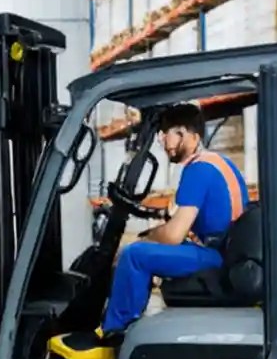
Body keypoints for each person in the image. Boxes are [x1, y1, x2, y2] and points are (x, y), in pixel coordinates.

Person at [98, 103, 249, 344]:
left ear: (184, 134)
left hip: (216, 256)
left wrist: (146, 237)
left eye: (165, 134)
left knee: (134, 255)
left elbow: (174, 235)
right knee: (144, 250)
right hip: (227, 252)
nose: (162, 141)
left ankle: (116, 333)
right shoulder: (220, 163)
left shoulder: (198, 170)